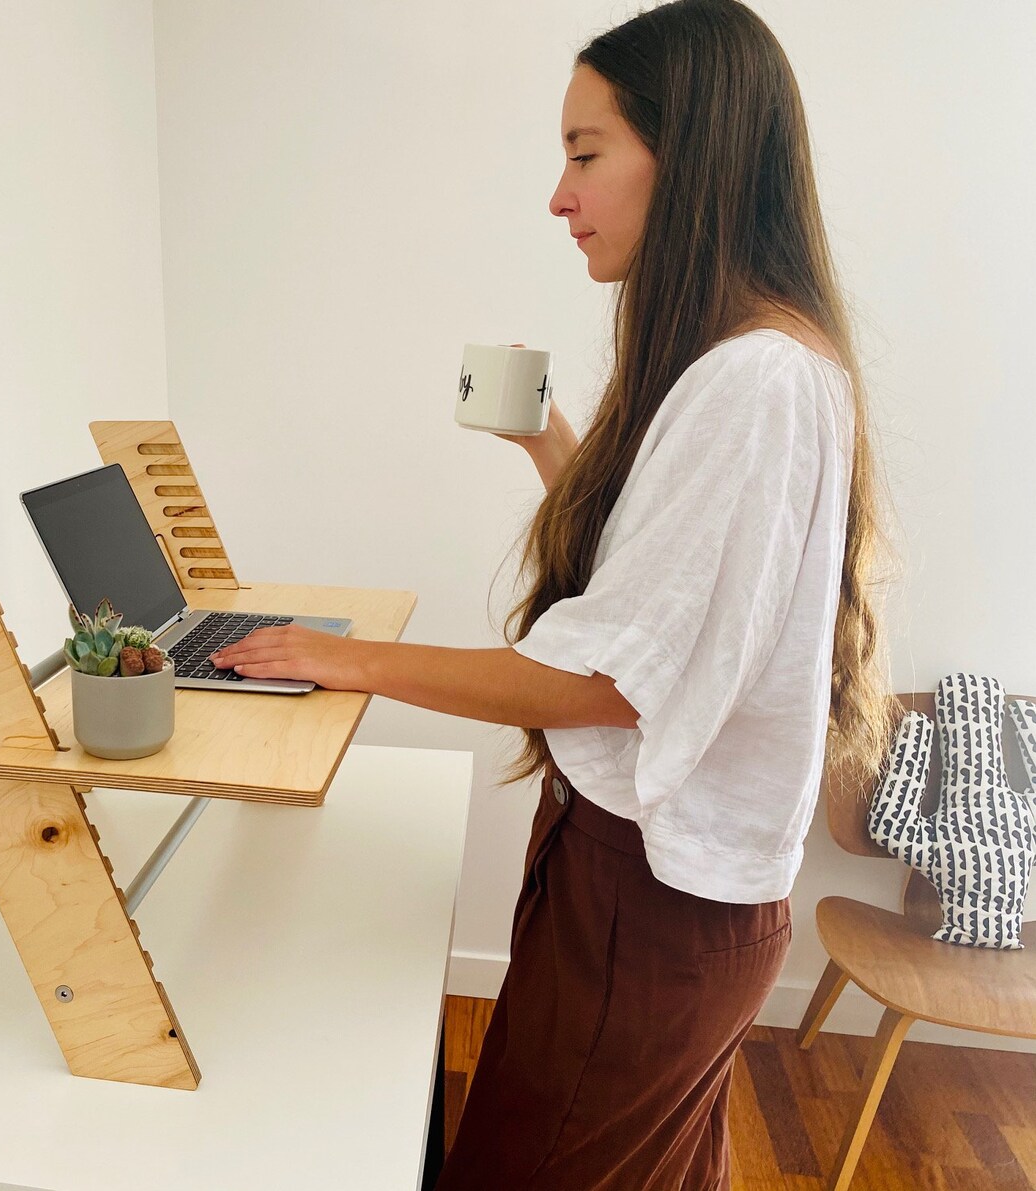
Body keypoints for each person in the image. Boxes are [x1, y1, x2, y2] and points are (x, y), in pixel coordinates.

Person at [207, 1, 903, 1186]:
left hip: (649, 895)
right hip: (650, 883)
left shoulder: (756, 380)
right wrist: (545, 442)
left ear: (689, 156)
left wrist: (350, 661)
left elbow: (608, 678)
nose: (558, 194)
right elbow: (666, 577)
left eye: (586, 153)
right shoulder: (748, 363)